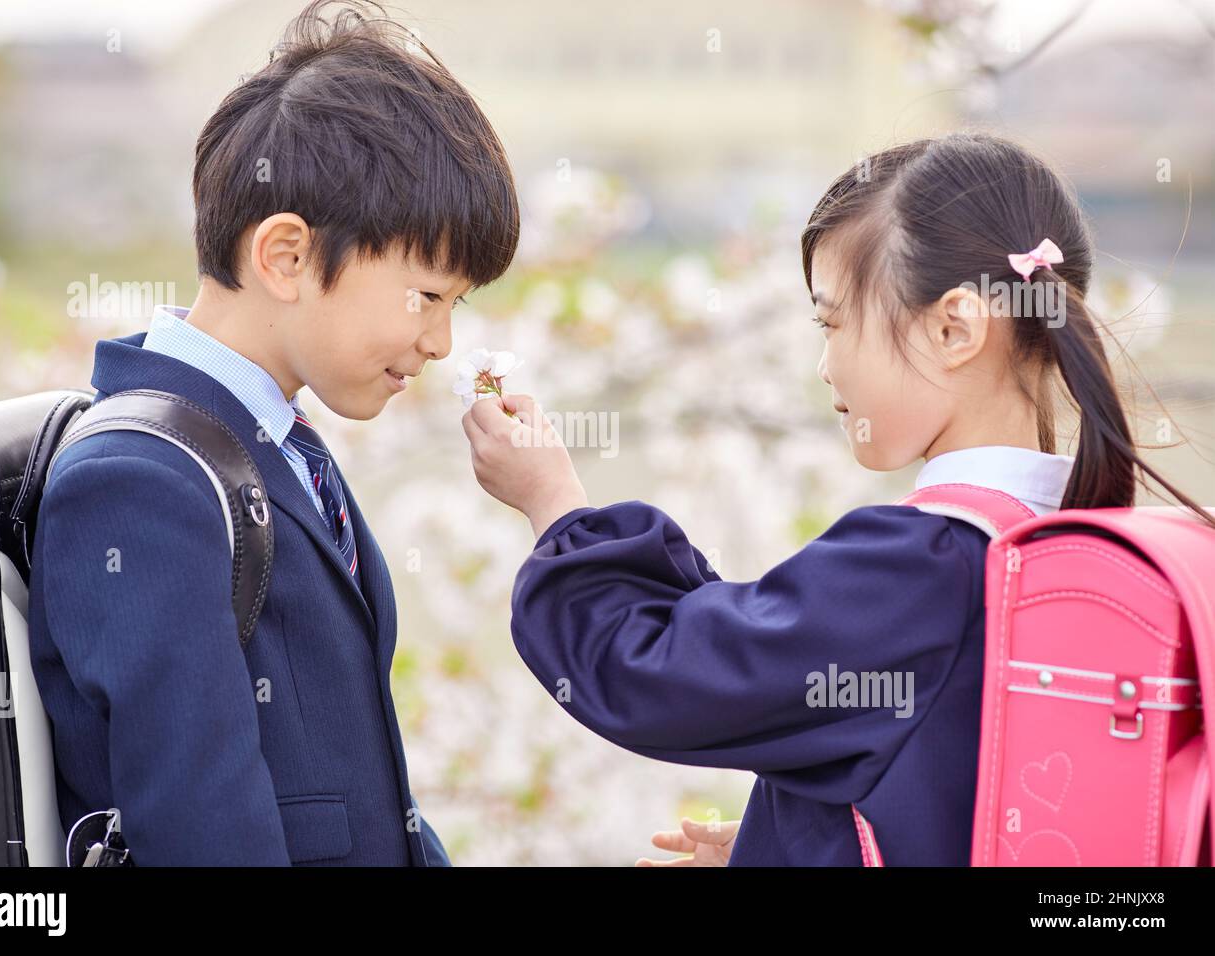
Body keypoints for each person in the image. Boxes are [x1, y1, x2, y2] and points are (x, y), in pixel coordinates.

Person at [460, 131, 1214, 865]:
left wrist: (555, 508)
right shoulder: (1067, 547)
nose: (825, 366)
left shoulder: (918, 567)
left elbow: (655, 672)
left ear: (955, 328)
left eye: (834, 321)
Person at [29, 0, 518, 865]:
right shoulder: (140, 481)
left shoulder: (273, 442)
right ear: (286, 255)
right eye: (427, 296)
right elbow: (204, 832)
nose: (441, 343)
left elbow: (363, 801)